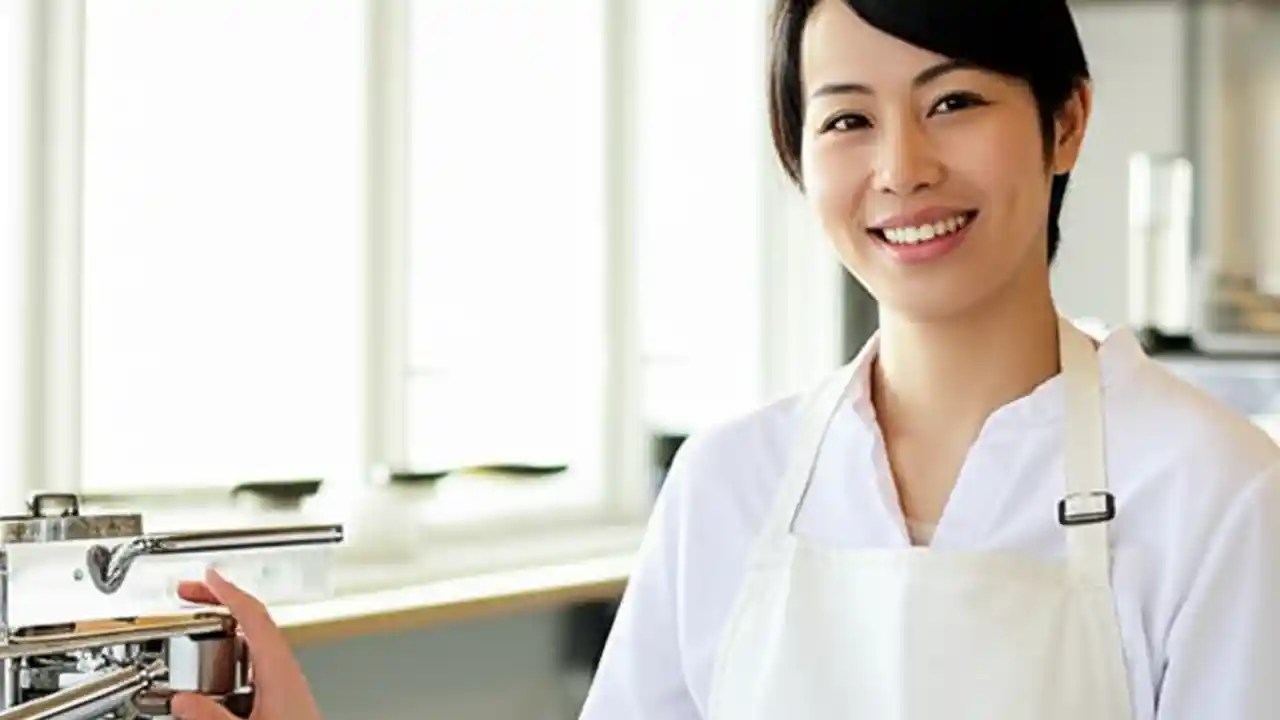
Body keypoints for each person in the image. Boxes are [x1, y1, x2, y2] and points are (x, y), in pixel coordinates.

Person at [174, 1, 1280, 719]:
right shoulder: (729, 480)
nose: (901, 168)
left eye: (952, 101)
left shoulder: (1214, 490)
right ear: (797, 156)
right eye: (846, 121)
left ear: (1065, 121)